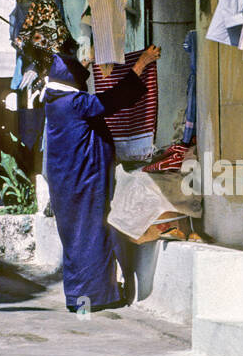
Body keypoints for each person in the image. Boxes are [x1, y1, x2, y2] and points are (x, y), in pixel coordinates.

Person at [43, 40, 160, 312]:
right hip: (82, 181)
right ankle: (92, 299)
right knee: (91, 235)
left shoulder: (55, 99)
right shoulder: (74, 103)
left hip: (67, 182)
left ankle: (79, 298)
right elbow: (114, 99)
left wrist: (87, 62)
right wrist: (141, 64)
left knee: (77, 239)